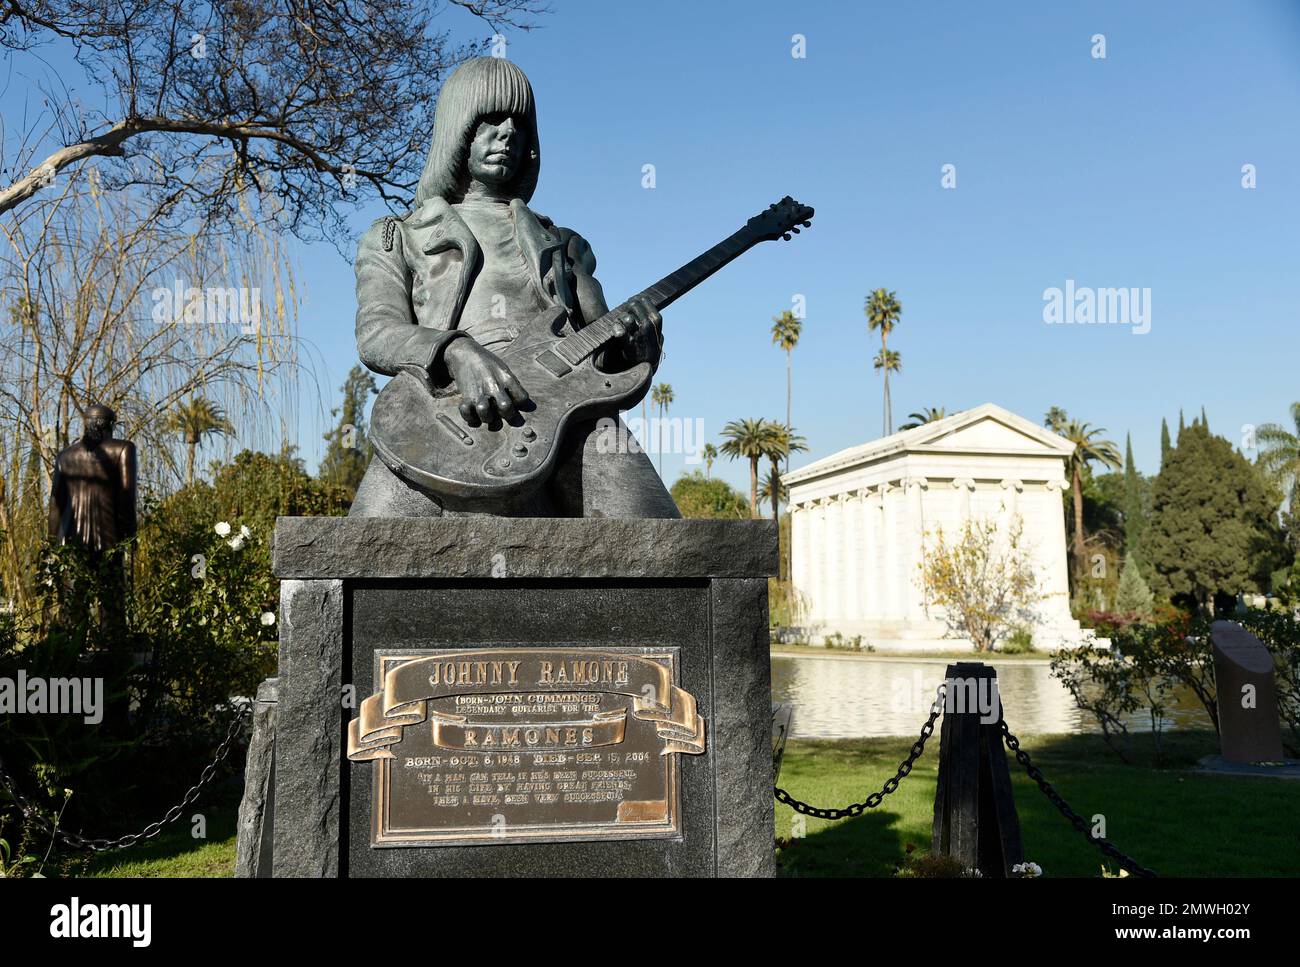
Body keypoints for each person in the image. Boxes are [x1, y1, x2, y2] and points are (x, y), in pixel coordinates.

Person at [349, 56, 678, 519]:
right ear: (458, 130)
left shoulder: (563, 244)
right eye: (490, 120)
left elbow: (601, 349)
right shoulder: (398, 236)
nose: (507, 133)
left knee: (661, 538)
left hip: (562, 408)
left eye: (519, 124)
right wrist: (455, 351)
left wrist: (636, 347)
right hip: (439, 411)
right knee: (361, 546)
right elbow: (378, 332)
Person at [48, 403, 138, 555]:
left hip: (70, 542)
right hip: (108, 539)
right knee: (109, 570)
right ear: (108, 425)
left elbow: (55, 504)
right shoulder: (124, 449)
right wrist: (130, 533)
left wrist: (51, 542)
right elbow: (127, 497)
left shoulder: (64, 456)